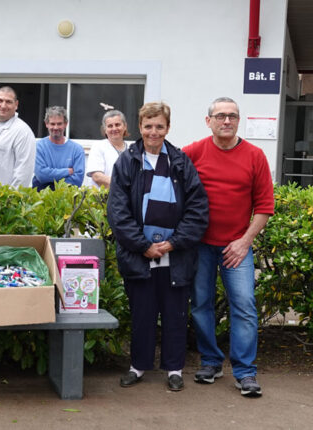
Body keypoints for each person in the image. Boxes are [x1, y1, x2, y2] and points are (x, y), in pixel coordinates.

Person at [107, 101, 208, 392]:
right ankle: (137, 366)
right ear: (139, 128)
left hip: (175, 255)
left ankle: (174, 369)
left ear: (168, 128)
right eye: (148, 126)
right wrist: (143, 246)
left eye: (159, 126)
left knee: (176, 314)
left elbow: (197, 208)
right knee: (142, 313)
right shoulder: (127, 162)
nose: (154, 132)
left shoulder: (180, 162)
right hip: (140, 256)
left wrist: (173, 243)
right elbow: (118, 212)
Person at [183, 97, 274, 397]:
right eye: (220, 116)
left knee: (245, 306)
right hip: (200, 245)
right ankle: (210, 361)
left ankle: (245, 372)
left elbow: (264, 206)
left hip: (237, 246)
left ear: (238, 121)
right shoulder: (194, 151)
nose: (226, 121)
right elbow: (168, 177)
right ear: (208, 120)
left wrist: (244, 241)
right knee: (200, 306)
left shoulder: (255, 155)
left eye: (232, 116)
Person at [32, 106, 85, 190]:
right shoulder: (38, 147)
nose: (56, 128)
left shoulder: (77, 149)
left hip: (67, 200)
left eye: (59, 124)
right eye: (52, 124)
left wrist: (49, 180)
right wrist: (67, 171)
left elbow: (77, 180)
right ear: (46, 124)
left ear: (66, 124)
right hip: (41, 199)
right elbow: (41, 175)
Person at [85, 110, 129, 188]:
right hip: (104, 198)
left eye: (117, 124)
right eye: (110, 126)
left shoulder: (132, 149)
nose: (114, 129)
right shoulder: (98, 146)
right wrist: (123, 186)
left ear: (125, 126)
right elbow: (97, 177)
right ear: (105, 129)